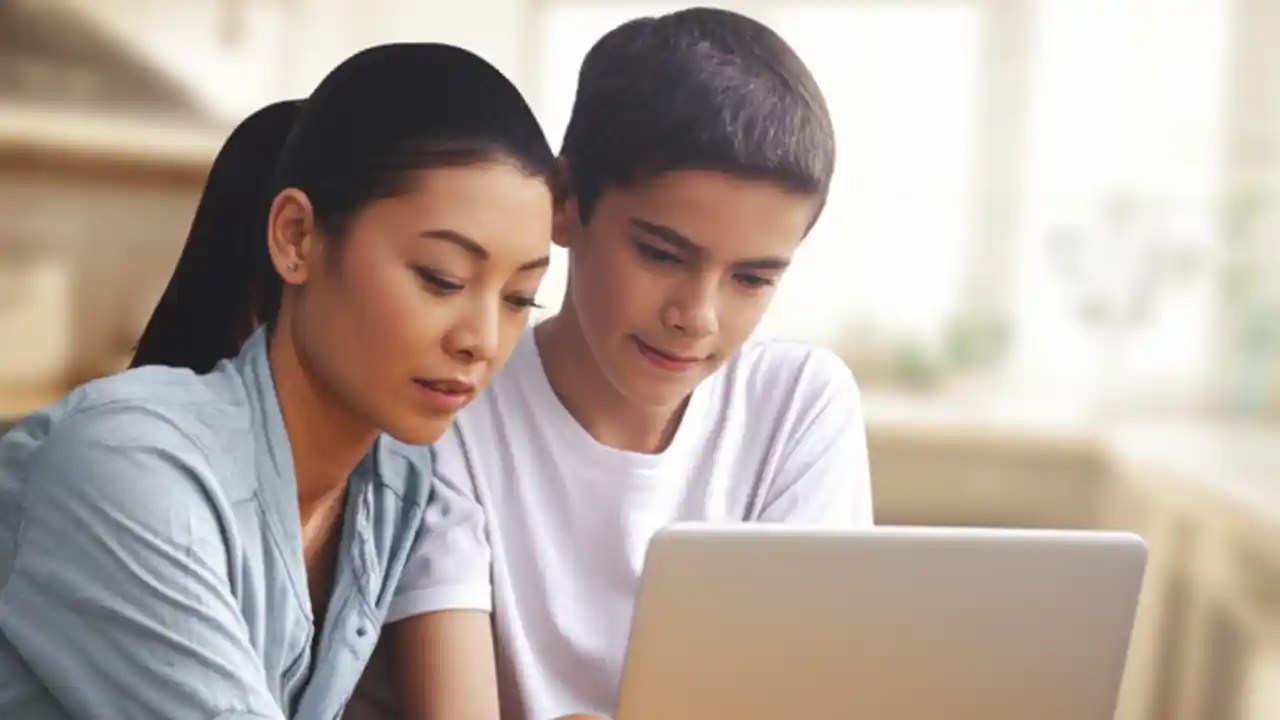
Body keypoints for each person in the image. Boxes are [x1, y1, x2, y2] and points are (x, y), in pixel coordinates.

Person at [0, 43, 555, 719]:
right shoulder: (126, 466)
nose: (483, 340)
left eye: (520, 298)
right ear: (297, 238)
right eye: (441, 279)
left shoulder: (397, 484)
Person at [361, 8, 874, 720]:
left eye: (752, 279)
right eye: (663, 255)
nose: (697, 315)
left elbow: (810, 694)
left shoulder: (799, 406)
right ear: (565, 204)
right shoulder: (451, 405)